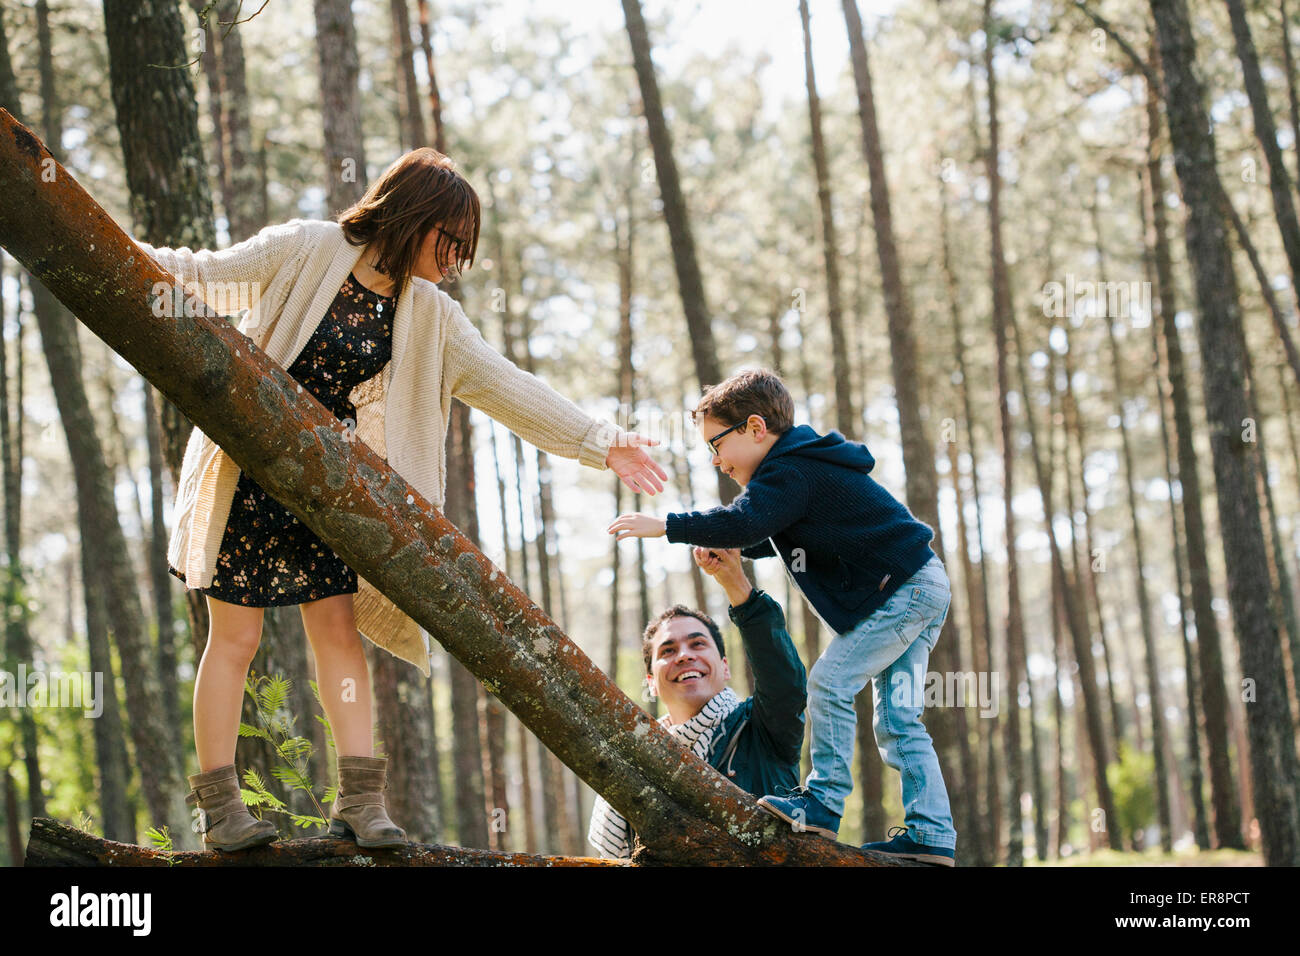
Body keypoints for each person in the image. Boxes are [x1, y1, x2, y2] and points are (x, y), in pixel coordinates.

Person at [136, 148, 667, 852]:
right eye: (450, 242)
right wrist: (83, 233)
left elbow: (507, 387)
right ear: (414, 218)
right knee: (235, 639)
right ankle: (220, 813)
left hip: (327, 492)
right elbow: (202, 274)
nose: (455, 260)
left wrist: (603, 440)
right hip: (244, 476)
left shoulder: (432, 317)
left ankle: (360, 801)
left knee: (336, 634)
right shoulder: (305, 249)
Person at [607, 368, 956, 866]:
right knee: (899, 720)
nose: (716, 460)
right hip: (919, 585)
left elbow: (747, 520)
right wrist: (726, 545)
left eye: (717, 444)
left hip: (904, 591)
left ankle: (824, 801)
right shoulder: (798, 471)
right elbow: (762, 532)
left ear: (754, 428)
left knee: (830, 683)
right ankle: (932, 834)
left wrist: (667, 525)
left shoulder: (788, 470)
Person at [587, 545, 806, 859]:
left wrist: (737, 586)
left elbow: (787, 684)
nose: (685, 655)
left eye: (697, 643)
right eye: (667, 650)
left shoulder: (761, 727)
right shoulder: (634, 767)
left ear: (725, 666)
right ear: (651, 682)